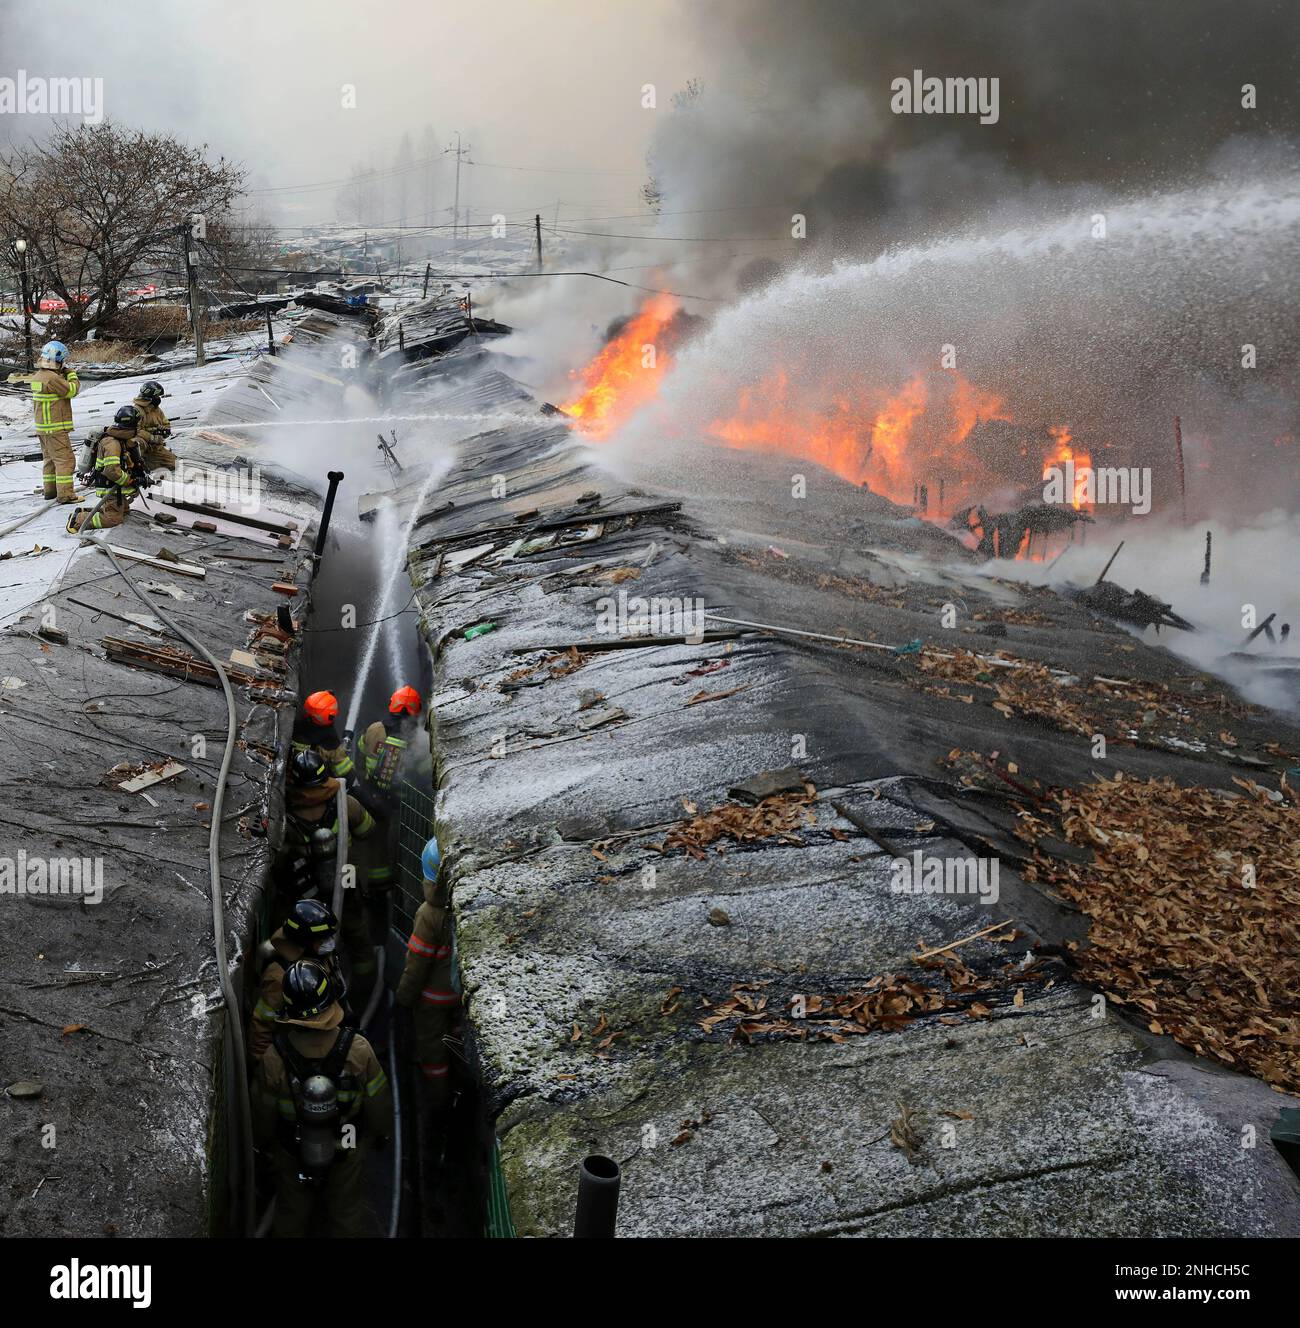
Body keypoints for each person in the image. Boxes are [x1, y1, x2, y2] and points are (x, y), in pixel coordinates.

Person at [252, 959, 391, 1238]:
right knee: (347, 1212)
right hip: (347, 1143)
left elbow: (263, 1113)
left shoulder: (274, 1057)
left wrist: (265, 1145)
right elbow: (378, 1100)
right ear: (330, 1002)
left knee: (291, 1213)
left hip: (292, 1147)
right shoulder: (359, 1050)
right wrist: (380, 1134)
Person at [280, 749, 379, 1003]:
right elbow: (368, 830)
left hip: (304, 903)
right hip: (347, 888)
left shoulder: (285, 816)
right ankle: (363, 996)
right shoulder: (345, 804)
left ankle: (318, 995)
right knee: (359, 940)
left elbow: (280, 862)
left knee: (309, 951)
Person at [395, 837, 456, 1112]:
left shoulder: (428, 914)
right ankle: (461, 1085)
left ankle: (436, 1102)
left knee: (432, 1051)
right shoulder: (460, 907)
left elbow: (416, 965)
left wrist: (403, 999)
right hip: (460, 996)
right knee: (456, 1039)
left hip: (431, 1001)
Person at [249, 898, 348, 1061]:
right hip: (297, 1052)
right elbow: (262, 1026)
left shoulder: (319, 955)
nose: (329, 943)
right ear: (305, 941)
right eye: (323, 939)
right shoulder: (278, 976)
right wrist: (263, 1066)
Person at [66, 404, 150, 533]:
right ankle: (78, 520)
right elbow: (111, 471)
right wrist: (130, 480)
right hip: (109, 486)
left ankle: (85, 511)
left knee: (124, 512)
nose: (138, 428)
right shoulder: (112, 444)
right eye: (137, 425)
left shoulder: (121, 439)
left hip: (115, 486)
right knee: (113, 519)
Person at [30, 340, 80, 504]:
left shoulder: (38, 376)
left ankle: (50, 491)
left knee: (50, 461)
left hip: (43, 429)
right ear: (57, 360)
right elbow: (72, 390)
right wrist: (71, 374)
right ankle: (66, 495)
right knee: (65, 460)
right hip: (56, 429)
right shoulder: (52, 378)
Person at [292, 690, 355, 784]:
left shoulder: (295, 721)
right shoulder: (329, 741)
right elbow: (344, 771)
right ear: (329, 716)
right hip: (313, 782)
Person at [132, 380, 176, 472]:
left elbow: (166, 423)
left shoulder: (156, 410)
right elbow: (136, 431)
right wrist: (152, 437)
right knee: (136, 443)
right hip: (146, 447)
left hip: (156, 447)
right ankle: (138, 465)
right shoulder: (137, 411)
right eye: (156, 396)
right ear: (150, 397)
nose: (158, 398)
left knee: (174, 464)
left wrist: (164, 430)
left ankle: (151, 463)